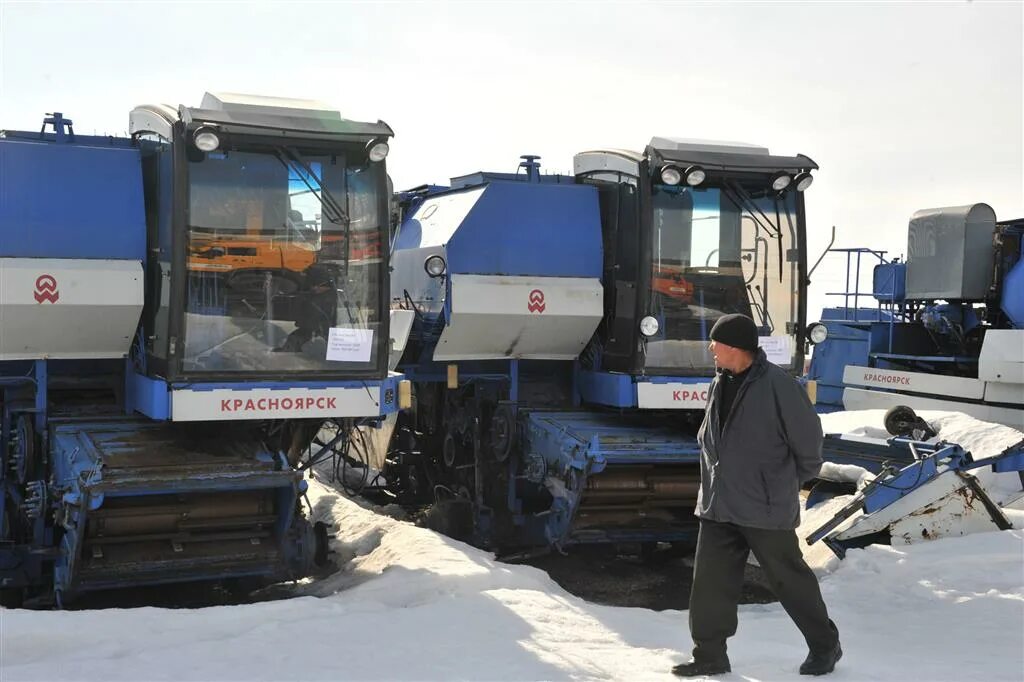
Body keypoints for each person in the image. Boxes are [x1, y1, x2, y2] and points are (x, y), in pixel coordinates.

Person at [673, 313, 842, 677]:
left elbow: (809, 446)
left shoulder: (780, 386)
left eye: (716, 344)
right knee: (710, 586)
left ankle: (825, 646)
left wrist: (781, 483)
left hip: (764, 506)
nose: (711, 350)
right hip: (719, 505)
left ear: (735, 348)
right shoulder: (720, 382)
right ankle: (709, 656)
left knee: (789, 580)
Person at [274, 264, 337, 352]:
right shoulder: (310, 297)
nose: (313, 288)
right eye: (312, 286)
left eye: (318, 286)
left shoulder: (329, 299)